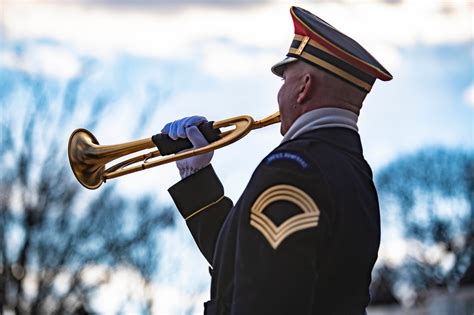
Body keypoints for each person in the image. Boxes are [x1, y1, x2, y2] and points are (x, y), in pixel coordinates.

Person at [158, 6, 392, 315]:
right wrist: (195, 175)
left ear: (304, 87)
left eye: (284, 82)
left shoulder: (292, 168)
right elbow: (246, 265)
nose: (279, 95)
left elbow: (265, 298)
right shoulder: (352, 170)